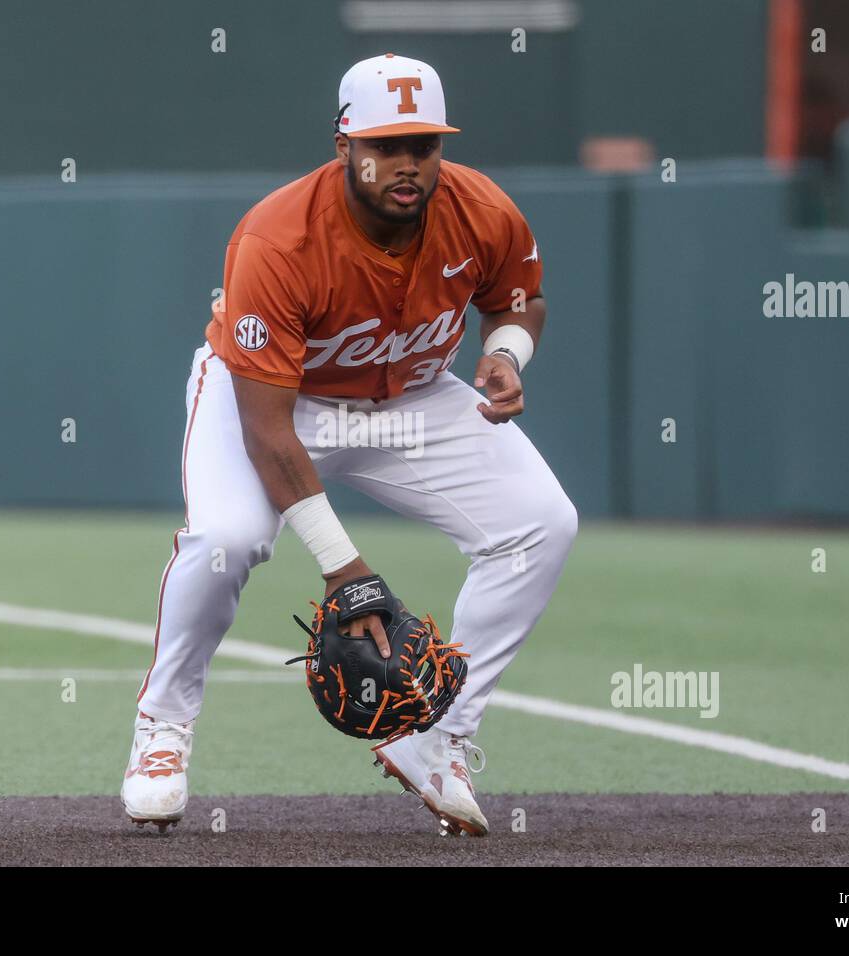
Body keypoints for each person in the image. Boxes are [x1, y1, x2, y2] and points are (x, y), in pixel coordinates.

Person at [121, 53, 577, 836]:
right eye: (385, 145)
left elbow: (521, 299)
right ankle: (162, 729)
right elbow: (267, 434)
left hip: (413, 397)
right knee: (226, 540)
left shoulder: (481, 209)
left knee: (542, 524)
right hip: (273, 400)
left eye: (424, 145)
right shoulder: (278, 238)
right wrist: (346, 569)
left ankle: (439, 737)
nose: (407, 164)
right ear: (343, 145)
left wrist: (506, 353)